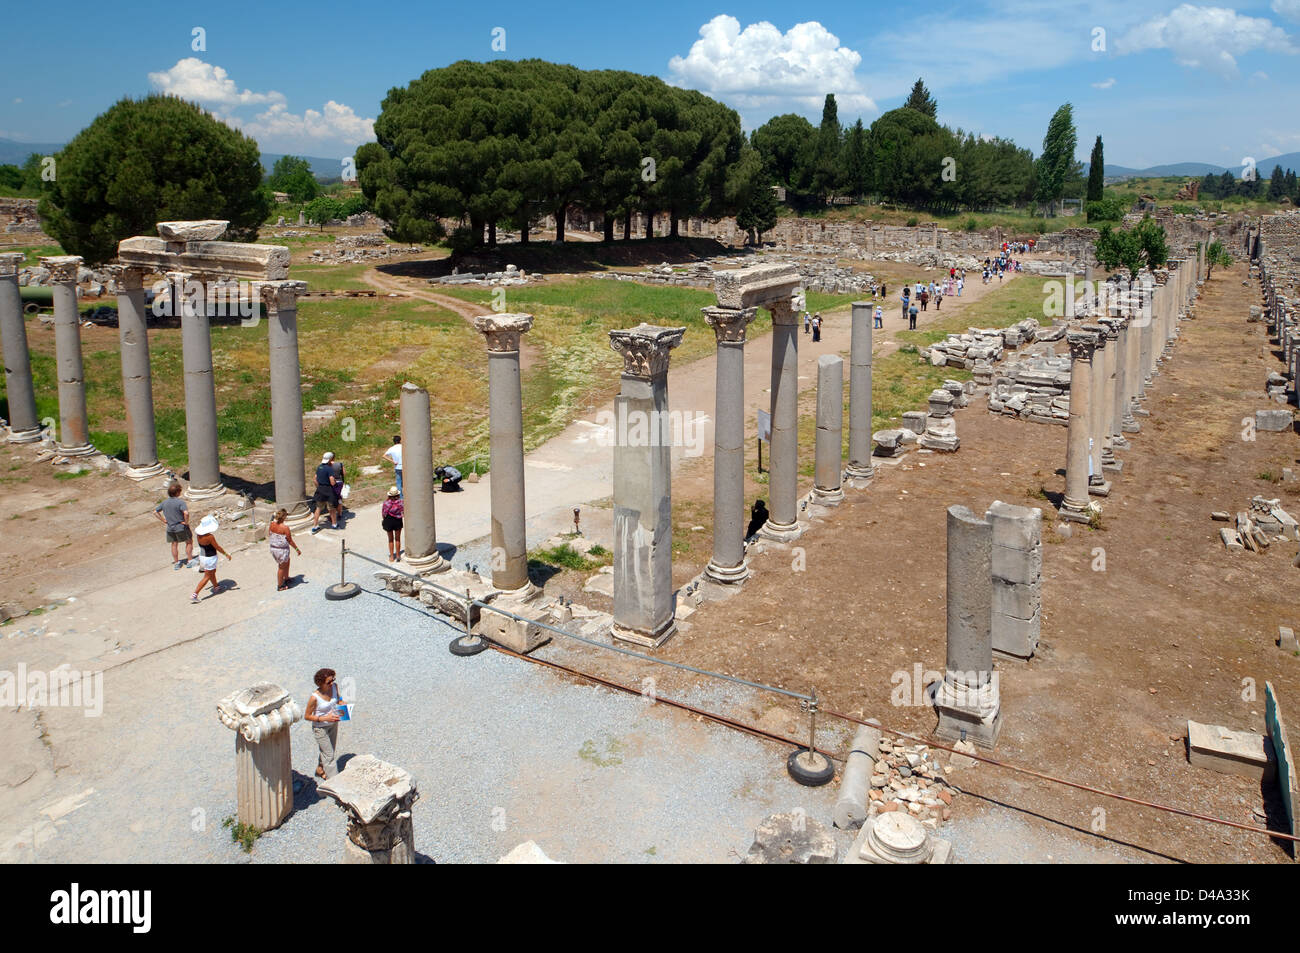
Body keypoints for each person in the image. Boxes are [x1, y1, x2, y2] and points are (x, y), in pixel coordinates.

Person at [305, 668, 343, 779]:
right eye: (328, 682)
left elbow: (338, 698)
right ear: (320, 683)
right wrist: (325, 718)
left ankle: (320, 769)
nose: (332, 683)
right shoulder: (314, 698)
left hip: (333, 724)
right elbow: (307, 716)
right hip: (320, 729)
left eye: (333, 680)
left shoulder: (334, 687)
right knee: (329, 755)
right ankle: (335, 783)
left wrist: (342, 702)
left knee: (329, 750)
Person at [155, 480, 196, 570]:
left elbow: (155, 512)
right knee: (189, 542)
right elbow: (186, 513)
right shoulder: (180, 502)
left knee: (174, 544)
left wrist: (164, 520)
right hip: (180, 527)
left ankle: (177, 562)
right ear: (177, 492)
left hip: (170, 527)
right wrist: (186, 522)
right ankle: (190, 560)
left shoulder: (164, 502)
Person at [191, 515, 231, 603]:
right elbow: (217, 547)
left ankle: (216, 587)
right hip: (210, 558)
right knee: (207, 576)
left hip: (203, 556)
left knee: (212, 572)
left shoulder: (198, 535)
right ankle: (195, 594)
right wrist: (226, 554)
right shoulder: (210, 537)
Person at [268, 508, 301, 591]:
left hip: (274, 548)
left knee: (287, 561)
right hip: (281, 550)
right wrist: (297, 549)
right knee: (281, 567)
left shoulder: (272, 524)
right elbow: (290, 540)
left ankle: (286, 578)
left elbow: (269, 534)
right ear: (284, 517)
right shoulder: (285, 528)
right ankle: (280, 586)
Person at [312, 452, 338, 533]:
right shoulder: (329, 469)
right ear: (330, 459)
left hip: (320, 490)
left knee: (318, 508)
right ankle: (334, 524)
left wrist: (319, 487)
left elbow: (314, 479)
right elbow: (332, 482)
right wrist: (335, 486)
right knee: (331, 509)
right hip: (329, 490)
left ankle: (315, 526)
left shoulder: (319, 467)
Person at [381, 486, 404, 562]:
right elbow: (403, 512)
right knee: (397, 539)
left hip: (388, 521)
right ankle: (398, 555)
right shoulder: (401, 502)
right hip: (398, 520)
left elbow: (383, 513)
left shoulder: (386, 503)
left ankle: (391, 556)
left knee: (390, 539)